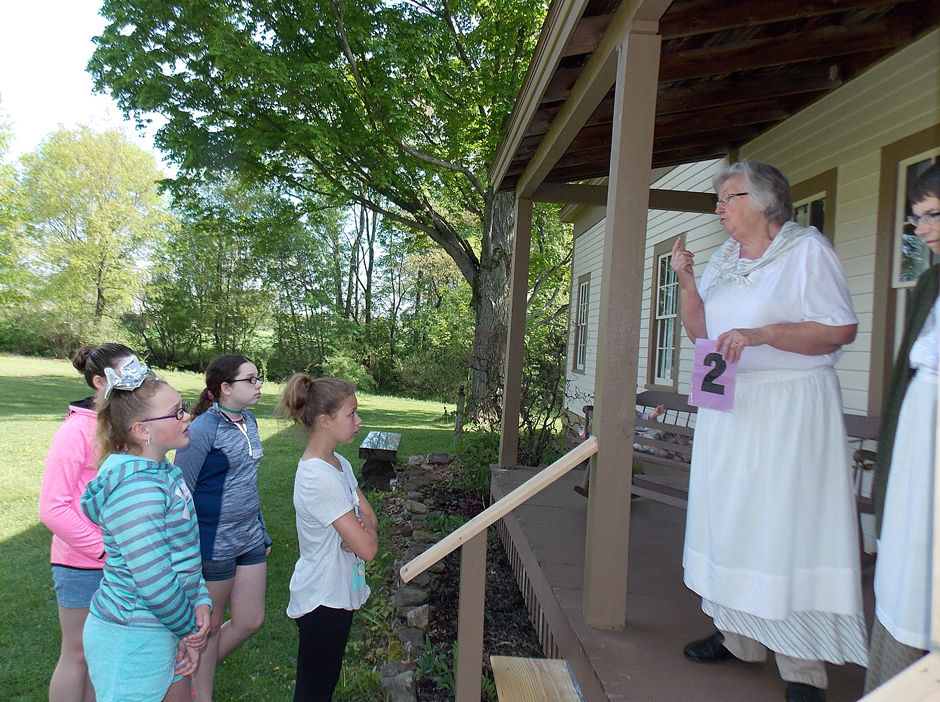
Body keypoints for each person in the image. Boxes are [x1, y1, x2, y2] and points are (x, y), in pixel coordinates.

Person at [671, 159, 866, 702]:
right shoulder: (724, 259)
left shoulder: (806, 252)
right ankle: (740, 638)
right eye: (719, 198)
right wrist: (687, 279)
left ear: (763, 200)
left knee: (786, 526)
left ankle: (803, 667)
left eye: (728, 197)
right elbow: (700, 332)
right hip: (732, 408)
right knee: (731, 522)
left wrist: (764, 334)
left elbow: (838, 330)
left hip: (789, 412)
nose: (719, 208)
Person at [80, 356, 212, 702]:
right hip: (131, 639)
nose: (187, 416)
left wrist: (200, 600)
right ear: (143, 430)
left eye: (183, 408)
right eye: (177, 412)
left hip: (164, 626)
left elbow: (184, 554)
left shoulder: (165, 474)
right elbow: (153, 580)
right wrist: (189, 631)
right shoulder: (136, 489)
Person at [864, 162, 940, 692]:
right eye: (916, 218)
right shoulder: (931, 281)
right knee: (913, 571)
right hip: (921, 443)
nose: (922, 229)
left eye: (933, 214)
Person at [39, 343, 136, 702]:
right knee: (78, 654)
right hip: (82, 564)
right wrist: (102, 550)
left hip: (120, 562)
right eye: (129, 370)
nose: (139, 377)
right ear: (100, 381)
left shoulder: (124, 426)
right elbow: (52, 507)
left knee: (103, 655)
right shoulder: (75, 432)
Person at [174, 354, 271, 701]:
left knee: (250, 619)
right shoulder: (203, 428)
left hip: (249, 539)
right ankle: (200, 693)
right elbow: (181, 486)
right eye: (251, 380)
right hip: (213, 543)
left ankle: (184, 675)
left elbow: (248, 482)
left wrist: (262, 528)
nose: (259, 385)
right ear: (226, 388)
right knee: (209, 627)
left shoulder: (251, 421)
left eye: (258, 378)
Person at [277, 375, 378, 702]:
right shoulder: (317, 477)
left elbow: (371, 520)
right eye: (351, 414)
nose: (358, 421)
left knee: (323, 685)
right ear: (324, 421)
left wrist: (363, 529)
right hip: (322, 598)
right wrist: (361, 532)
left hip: (337, 592)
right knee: (313, 691)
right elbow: (368, 548)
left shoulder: (339, 464)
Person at [573, 404, 666, 497]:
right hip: (612, 436)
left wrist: (655, 413)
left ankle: (616, 483)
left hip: (628, 437)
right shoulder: (610, 406)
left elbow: (643, 417)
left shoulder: (629, 408)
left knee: (618, 457)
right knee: (604, 453)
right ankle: (603, 481)